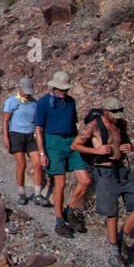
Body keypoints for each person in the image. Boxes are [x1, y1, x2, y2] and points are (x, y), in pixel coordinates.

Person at [73, 98, 134, 267]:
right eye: (113, 114)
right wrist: (96, 150)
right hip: (104, 172)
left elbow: (125, 143)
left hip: (122, 170)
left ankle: (121, 238)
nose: (116, 117)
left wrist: (128, 147)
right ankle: (114, 252)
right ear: (105, 111)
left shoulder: (121, 124)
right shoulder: (93, 126)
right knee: (112, 214)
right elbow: (76, 145)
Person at [34, 70, 92, 238]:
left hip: (71, 140)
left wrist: (79, 142)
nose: (64, 91)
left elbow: (73, 123)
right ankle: (59, 221)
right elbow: (39, 128)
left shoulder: (70, 102)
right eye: (61, 88)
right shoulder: (44, 102)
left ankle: (70, 211)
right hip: (53, 142)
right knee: (60, 182)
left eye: (65, 89)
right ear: (54, 87)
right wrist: (42, 152)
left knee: (86, 180)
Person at [2, 77, 43, 205]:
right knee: (22, 164)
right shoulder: (12, 101)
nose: (27, 94)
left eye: (29, 92)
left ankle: (37, 194)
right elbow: (6, 120)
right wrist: (6, 137)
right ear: (19, 88)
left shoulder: (35, 103)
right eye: (25, 91)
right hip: (16, 134)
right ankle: (21, 192)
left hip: (31, 135)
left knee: (38, 164)